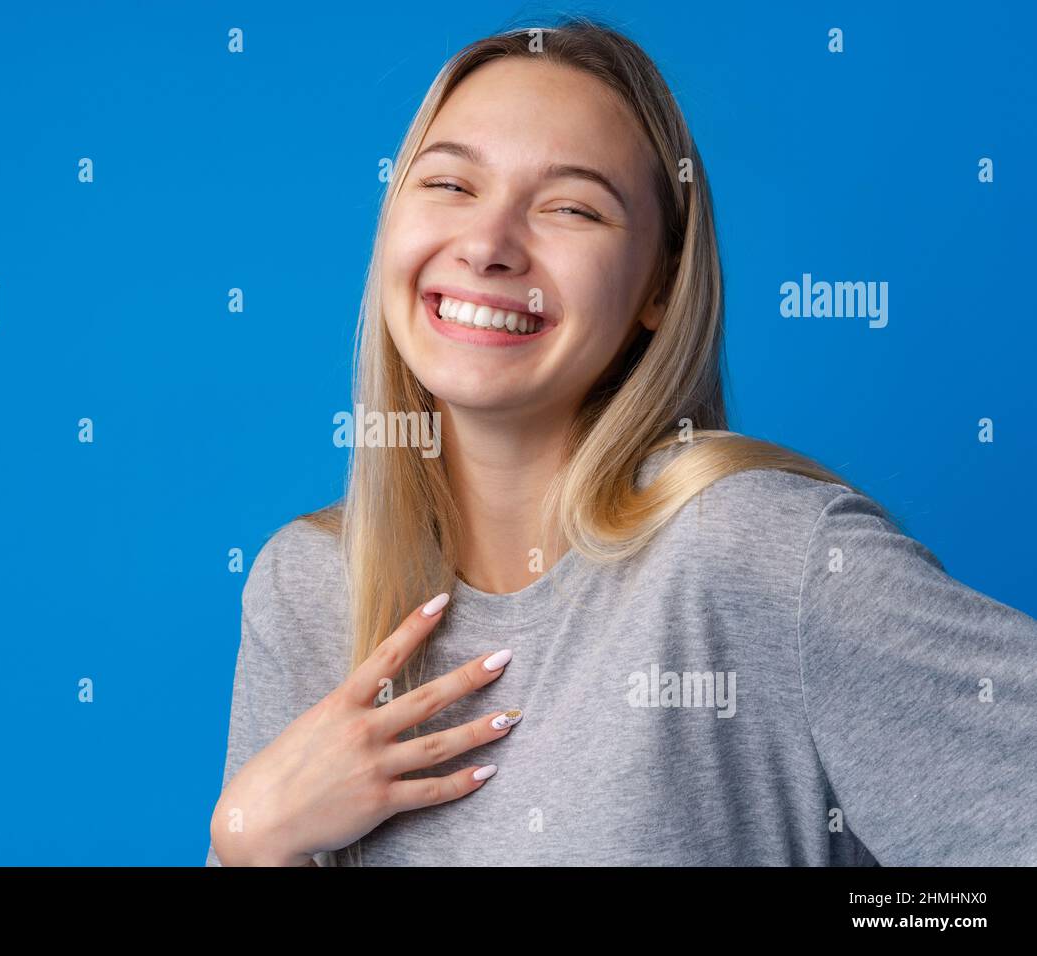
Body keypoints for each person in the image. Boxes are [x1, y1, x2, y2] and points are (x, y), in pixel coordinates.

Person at [205, 17, 1037, 866]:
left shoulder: (757, 553)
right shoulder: (307, 588)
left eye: (571, 207)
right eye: (451, 185)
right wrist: (246, 843)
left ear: (658, 288)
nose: (489, 246)